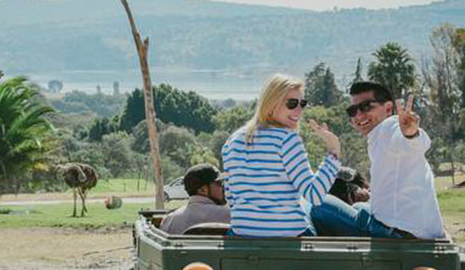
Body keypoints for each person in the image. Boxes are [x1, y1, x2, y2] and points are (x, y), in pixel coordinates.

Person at [310, 81, 447, 239]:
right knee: (359, 206)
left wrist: (411, 134)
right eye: (353, 111)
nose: (359, 115)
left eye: (366, 107)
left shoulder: (389, 128)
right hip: (417, 229)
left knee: (317, 203)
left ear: (388, 108)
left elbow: (412, 144)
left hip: (396, 234)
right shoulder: (377, 136)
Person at [222, 73, 341, 237]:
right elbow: (314, 195)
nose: (299, 110)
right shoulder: (287, 139)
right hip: (289, 237)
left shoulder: (232, 141)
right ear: (271, 104)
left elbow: (230, 197)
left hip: (241, 234)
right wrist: (333, 152)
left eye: (302, 103)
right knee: (308, 207)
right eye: (292, 104)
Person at [160, 163, 228, 234]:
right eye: (219, 183)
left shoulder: (170, 219)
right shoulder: (230, 216)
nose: (224, 187)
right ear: (203, 190)